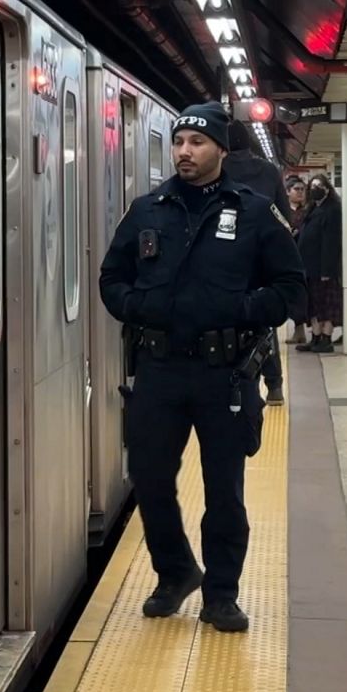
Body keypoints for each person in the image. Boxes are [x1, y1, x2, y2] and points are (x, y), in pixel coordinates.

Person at [99, 101, 306, 632]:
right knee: (148, 479)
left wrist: (240, 312)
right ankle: (175, 574)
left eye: (196, 142)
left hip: (224, 373)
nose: (184, 152)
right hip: (158, 371)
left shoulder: (256, 212)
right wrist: (137, 307)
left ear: (220, 149)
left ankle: (221, 593)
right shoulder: (147, 210)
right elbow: (111, 277)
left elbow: (290, 288)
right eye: (178, 143)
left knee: (224, 489)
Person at [224, 120, 288, 406]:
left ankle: (232, 380)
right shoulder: (269, 170)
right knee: (264, 321)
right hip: (262, 257)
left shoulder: (218, 170)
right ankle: (273, 385)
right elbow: (284, 215)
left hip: (223, 256)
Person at [295, 173, 343, 354]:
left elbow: (332, 242)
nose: (314, 189)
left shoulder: (333, 210)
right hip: (309, 266)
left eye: (319, 186)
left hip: (323, 267)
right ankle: (315, 337)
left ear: (327, 189)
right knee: (313, 303)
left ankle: (326, 338)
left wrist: (327, 269)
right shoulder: (312, 208)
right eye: (312, 186)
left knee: (327, 303)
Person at [284, 176, 311, 345]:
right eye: (297, 189)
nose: (301, 193)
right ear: (288, 192)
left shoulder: (308, 211)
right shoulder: (283, 211)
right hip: (288, 257)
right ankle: (298, 328)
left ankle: (303, 329)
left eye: (303, 189)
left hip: (306, 256)